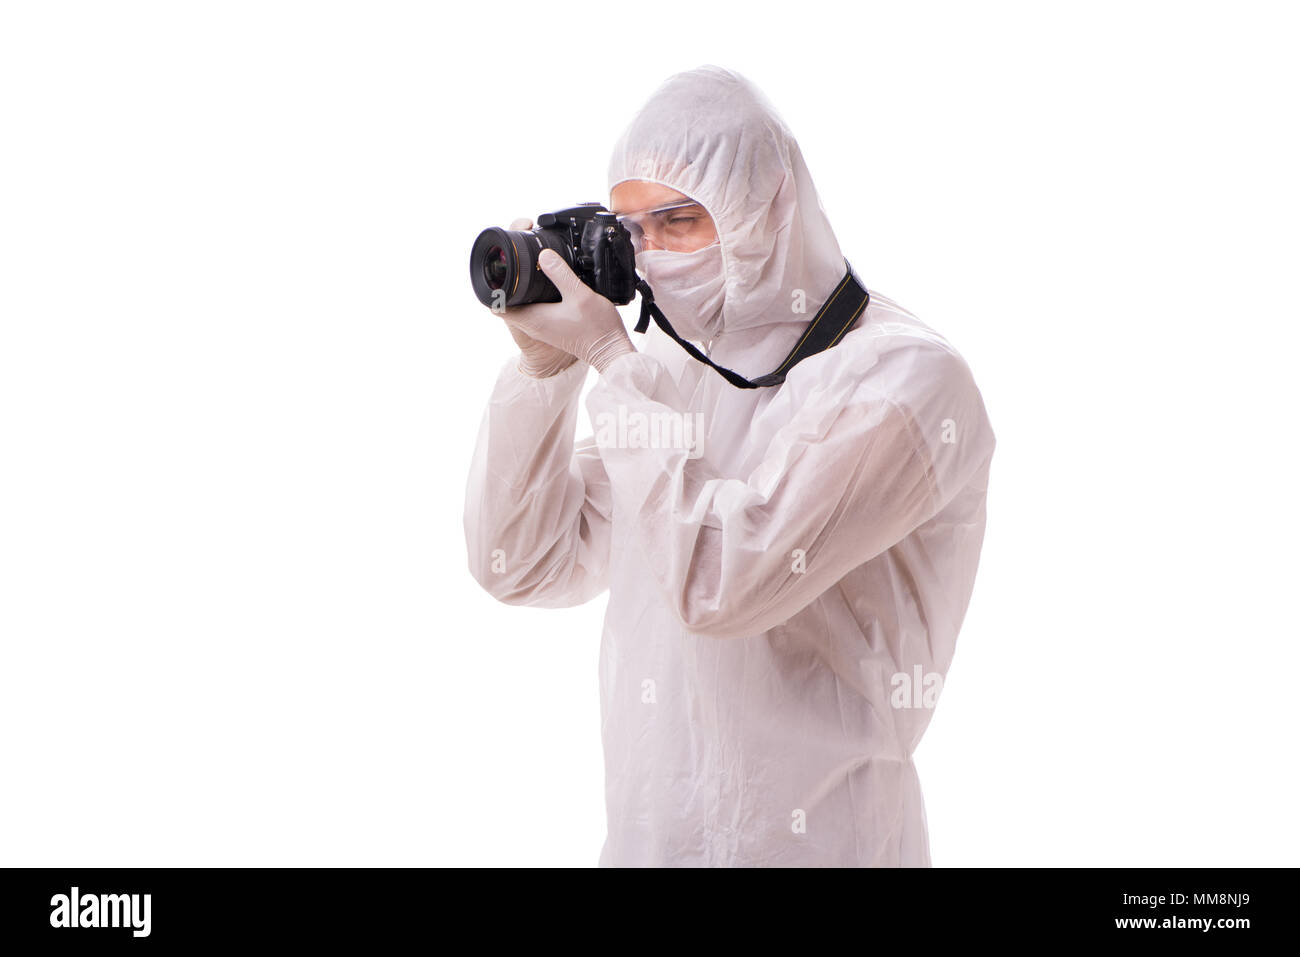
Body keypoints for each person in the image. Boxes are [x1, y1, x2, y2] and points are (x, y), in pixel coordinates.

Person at [463, 65, 995, 866]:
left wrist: (614, 361)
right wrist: (547, 373)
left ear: (770, 204)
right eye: (632, 231)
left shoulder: (904, 379)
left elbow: (723, 580)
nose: (650, 255)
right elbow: (526, 561)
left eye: (678, 220)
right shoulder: (672, 373)